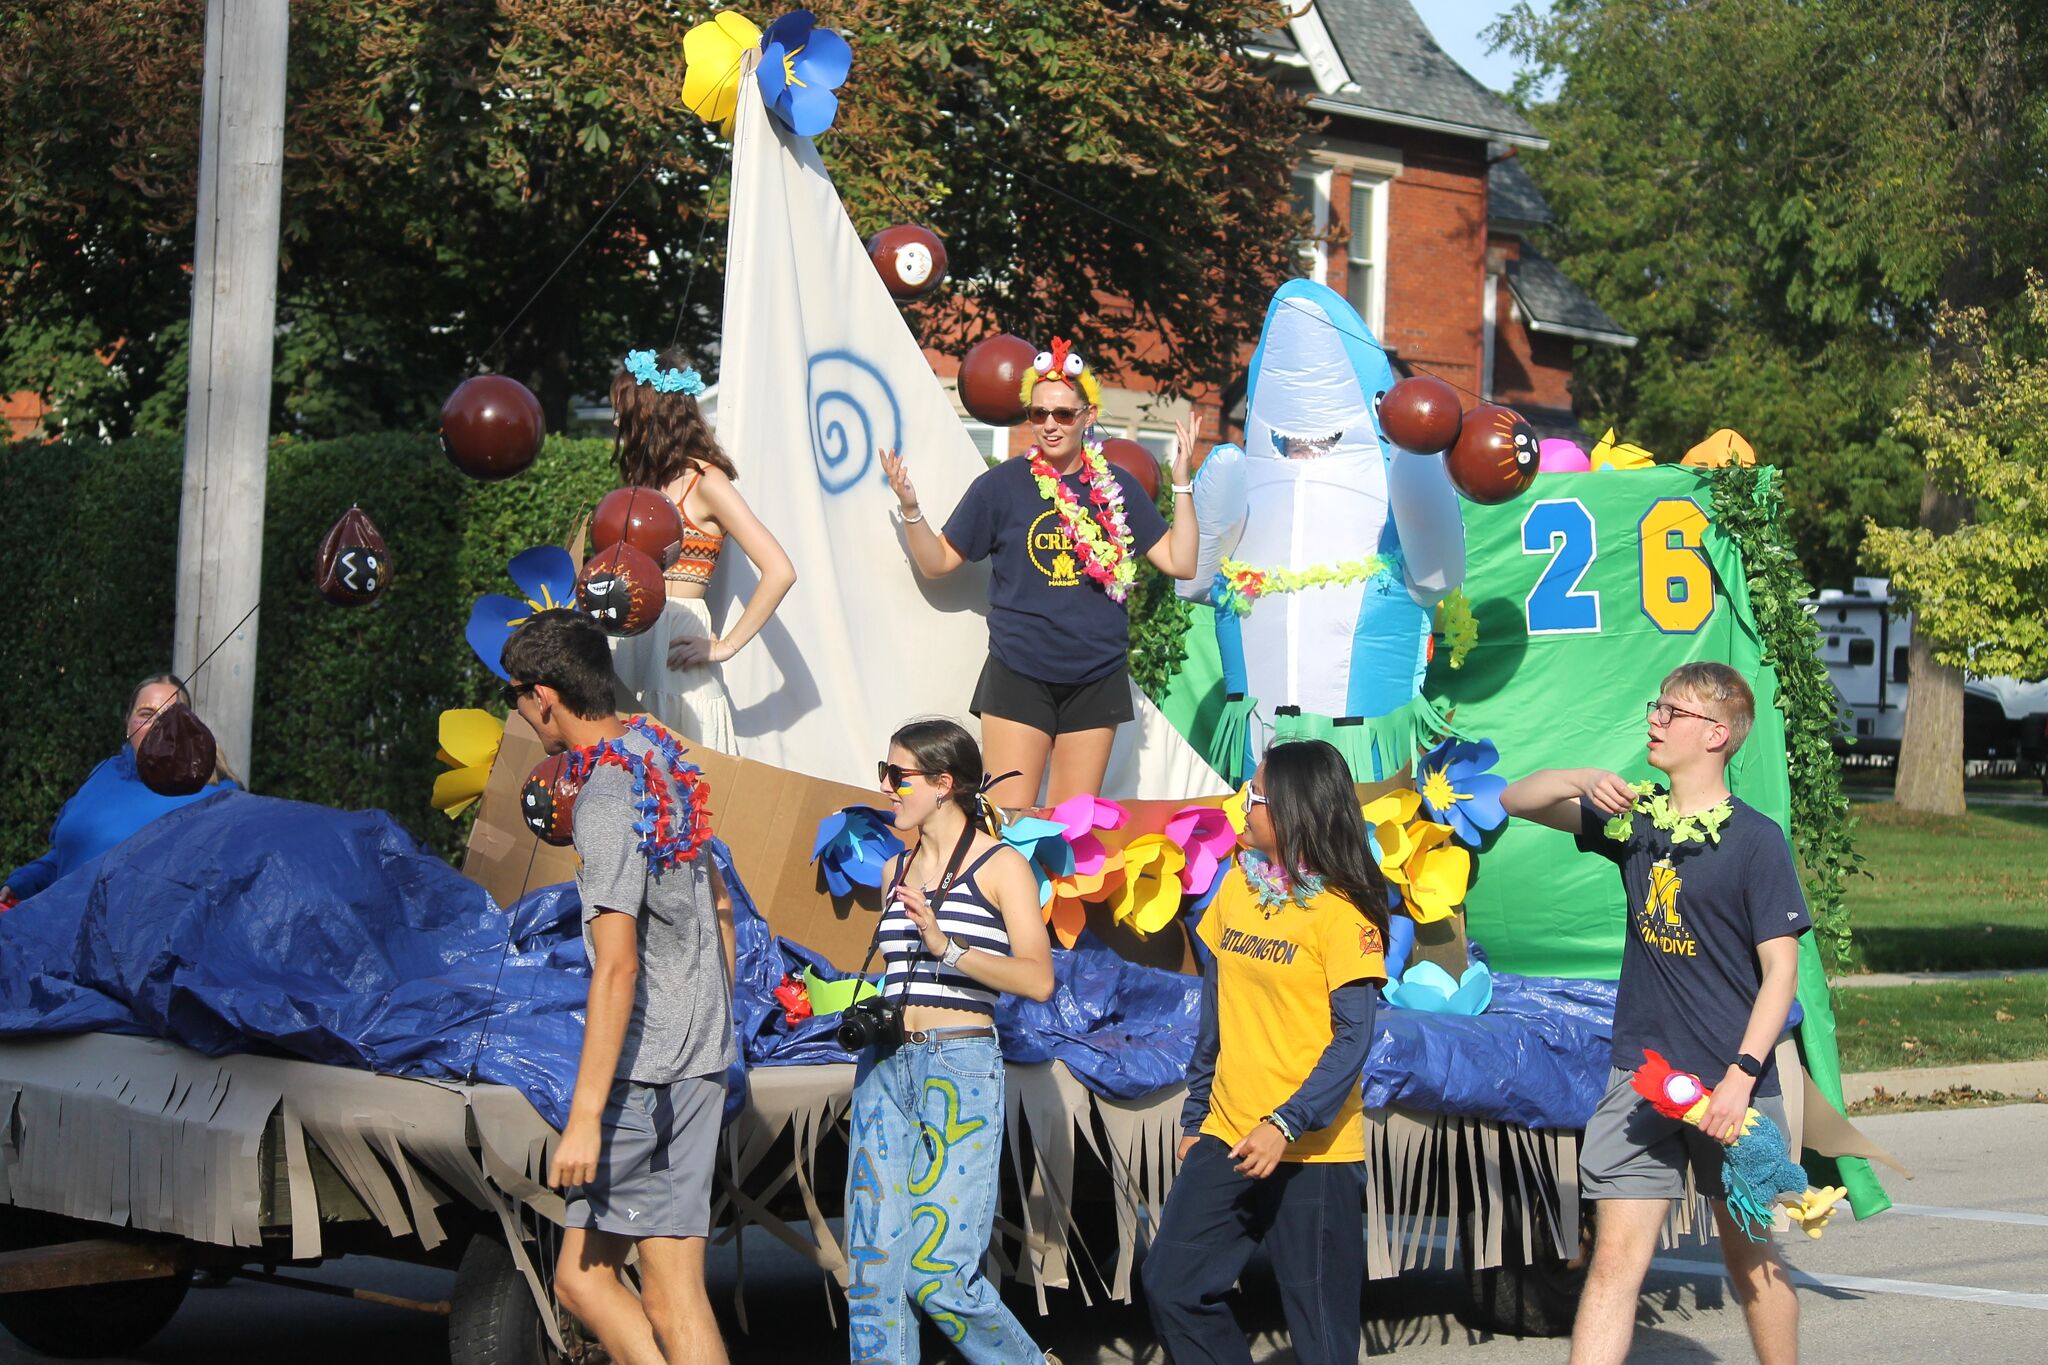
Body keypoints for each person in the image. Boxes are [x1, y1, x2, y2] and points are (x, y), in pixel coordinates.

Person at [1500, 662, 1810, 1365]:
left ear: (1718, 733)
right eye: (1656, 707)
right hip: (1641, 1077)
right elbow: (1515, 799)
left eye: (1672, 712)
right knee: (1612, 1260)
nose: (1654, 720)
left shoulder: (1757, 841)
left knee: (1752, 1259)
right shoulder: (1637, 820)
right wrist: (1581, 778)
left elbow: (1781, 971)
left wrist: (1740, 1074)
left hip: (1734, 1084)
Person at [502, 609, 737, 1365]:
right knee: (621, 1280)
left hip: (652, 1071)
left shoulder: (604, 797)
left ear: (544, 696)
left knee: (605, 1282)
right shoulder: (657, 753)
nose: (517, 710)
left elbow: (618, 965)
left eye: (515, 696)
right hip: (695, 1051)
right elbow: (721, 902)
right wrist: (717, 1022)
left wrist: (584, 1118)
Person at [1143, 738, 1387, 1365]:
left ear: (1291, 810)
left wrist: (1287, 1121)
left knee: (1322, 1335)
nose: (1242, 805)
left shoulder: (1342, 914)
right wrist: (1197, 1116)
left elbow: (1353, 1037)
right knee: (1171, 1285)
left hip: (1312, 1149)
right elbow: (1214, 1014)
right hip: (1227, 1133)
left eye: (1253, 795)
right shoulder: (1235, 887)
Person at [880, 338, 1199, 807]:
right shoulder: (1001, 486)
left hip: (1096, 672)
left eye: (1064, 414)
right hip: (1020, 670)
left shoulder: (1117, 487)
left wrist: (1182, 482)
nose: (1050, 425)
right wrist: (911, 509)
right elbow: (937, 563)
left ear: (1088, 416)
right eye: (1038, 413)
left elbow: (1181, 561)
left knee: (1071, 825)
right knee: (1008, 817)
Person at [842, 717, 1057, 1365]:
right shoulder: (893, 870)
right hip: (885, 1069)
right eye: (884, 772)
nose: (884, 786)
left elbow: (1039, 979)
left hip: (958, 1068)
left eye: (896, 775)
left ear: (943, 784)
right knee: (874, 1274)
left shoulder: (1002, 866)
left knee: (937, 1275)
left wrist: (949, 947)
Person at [607, 346, 796, 753]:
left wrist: (725, 645)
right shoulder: (643, 482)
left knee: (683, 778)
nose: (615, 419)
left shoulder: (706, 482)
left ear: (650, 411)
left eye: (622, 407)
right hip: (628, 642)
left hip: (676, 647)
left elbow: (780, 570)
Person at [3, 674, 238, 907]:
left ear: (188, 727)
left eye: (171, 717)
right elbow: (70, 851)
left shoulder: (216, 795)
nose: (158, 726)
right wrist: (21, 882)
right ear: (128, 724)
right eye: (146, 715)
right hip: (63, 931)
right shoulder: (105, 772)